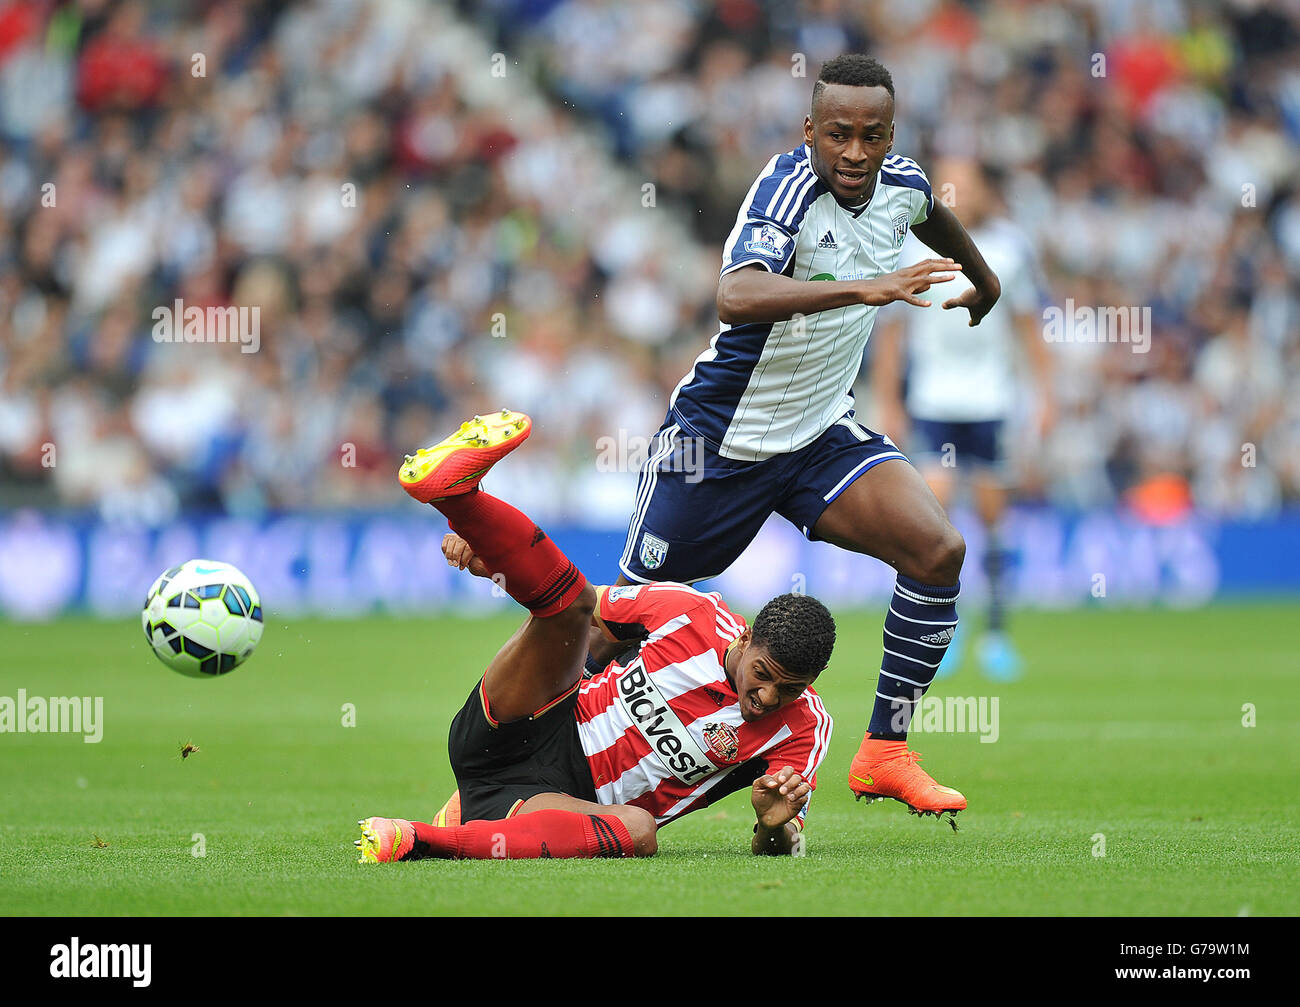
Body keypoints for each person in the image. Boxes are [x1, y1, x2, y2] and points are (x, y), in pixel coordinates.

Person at [602, 54, 1001, 825]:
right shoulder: (785, 191)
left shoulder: (903, 184)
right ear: (810, 130)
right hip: (717, 444)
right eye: (841, 135)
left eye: (874, 137)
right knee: (614, 636)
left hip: (818, 435)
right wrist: (865, 287)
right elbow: (735, 293)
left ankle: (885, 752)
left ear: (891, 136)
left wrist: (985, 283)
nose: (856, 153)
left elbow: (931, 215)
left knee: (938, 551)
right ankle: (513, 768)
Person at [355, 410, 834, 862]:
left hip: (563, 806)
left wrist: (772, 826)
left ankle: (418, 838)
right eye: (764, 674)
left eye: (790, 688)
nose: (769, 696)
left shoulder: (806, 728)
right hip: (524, 723)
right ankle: (459, 497)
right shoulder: (689, 611)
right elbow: (573, 604)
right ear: (746, 638)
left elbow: (783, 845)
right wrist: (493, 558)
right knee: (571, 608)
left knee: (640, 831)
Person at [872, 158, 1054, 681]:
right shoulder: (912, 248)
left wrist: (1045, 398)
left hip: (991, 403)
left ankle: (996, 633)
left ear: (982, 190)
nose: (956, 194)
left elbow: (1027, 329)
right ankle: (940, 631)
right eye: (946, 187)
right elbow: (893, 335)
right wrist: (891, 402)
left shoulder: (1009, 250)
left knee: (995, 520)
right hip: (933, 402)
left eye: (965, 185)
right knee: (935, 519)